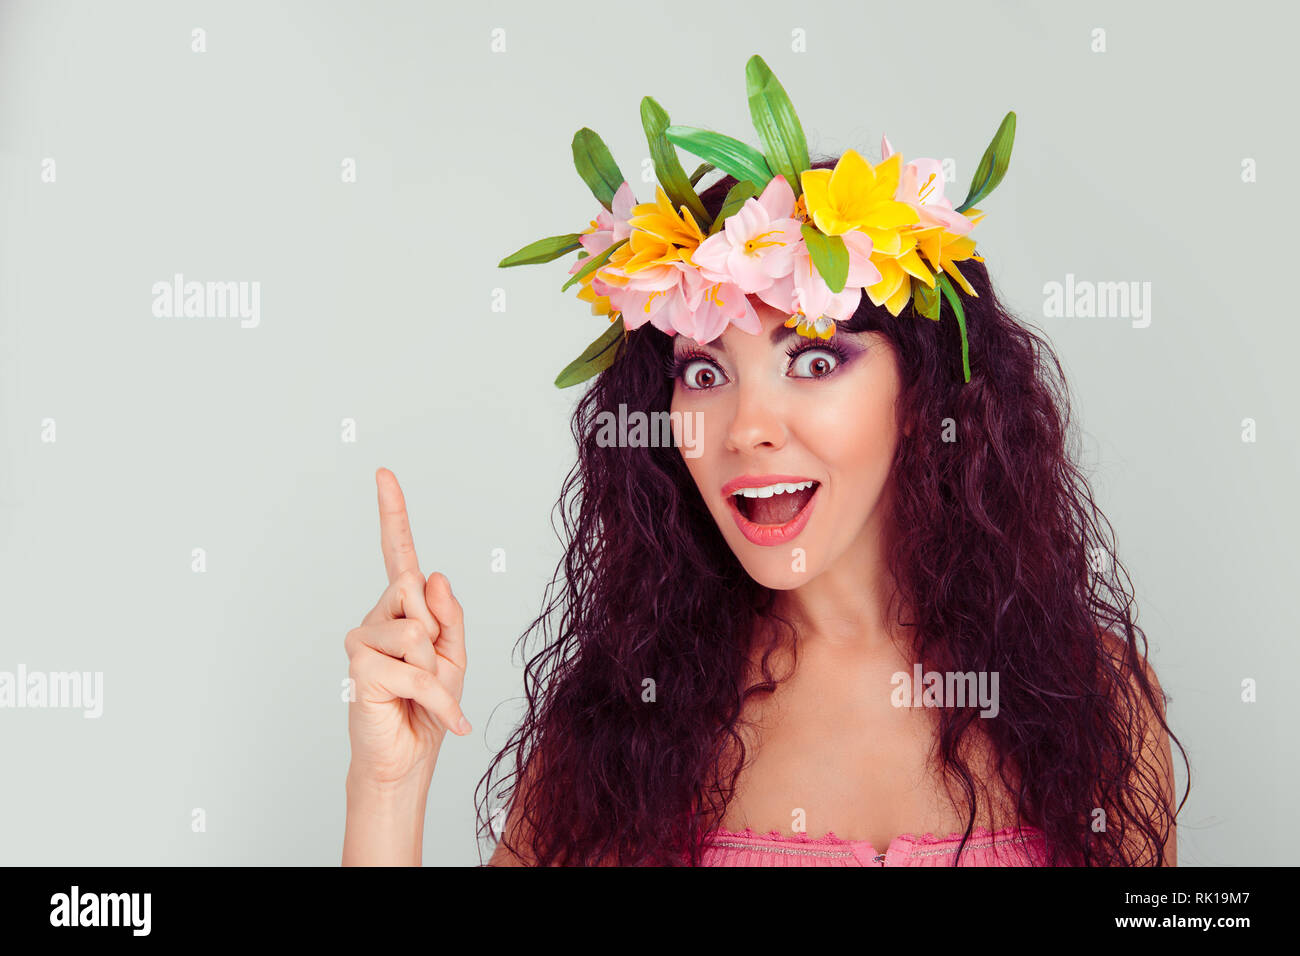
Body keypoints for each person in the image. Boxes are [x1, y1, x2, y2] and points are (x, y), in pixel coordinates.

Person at [341, 55, 1188, 866]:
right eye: (705, 373)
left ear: (922, 394)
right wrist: (390, 786)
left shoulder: (1090, 697)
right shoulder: (623, 725)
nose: (746, 427)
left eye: (814, 362)